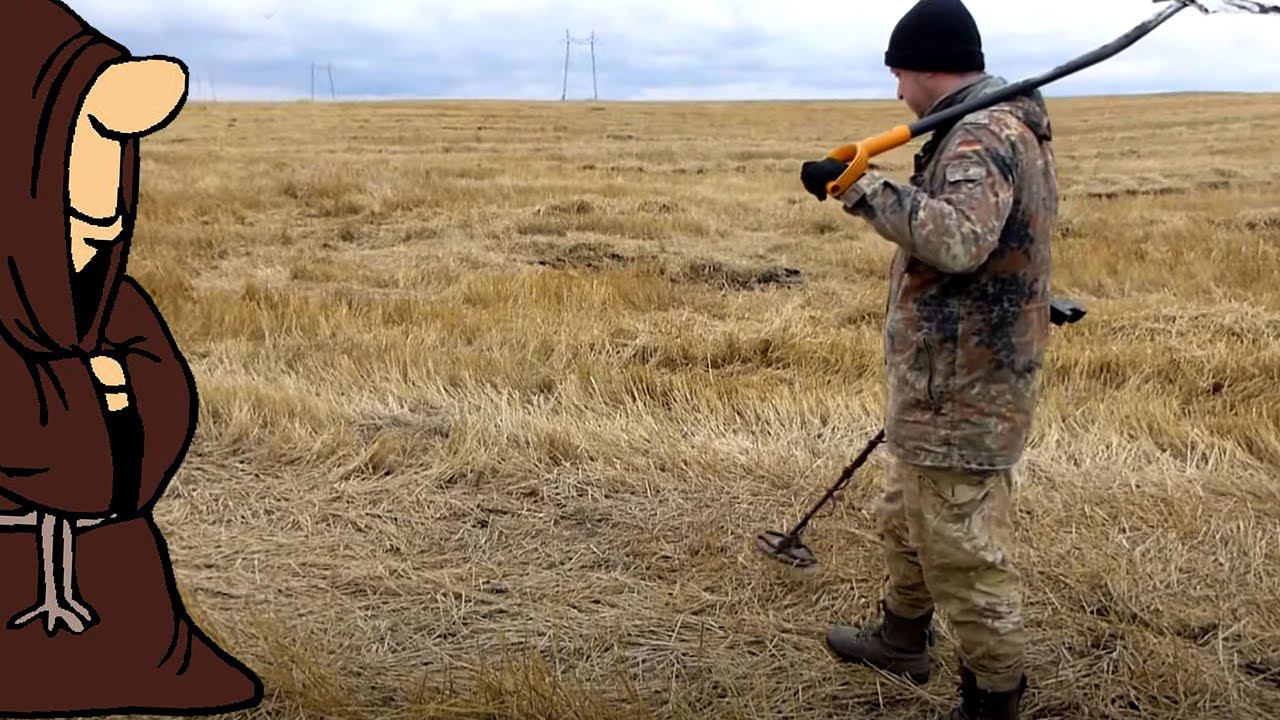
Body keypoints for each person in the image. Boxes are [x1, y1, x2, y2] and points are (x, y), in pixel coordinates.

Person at [0, 0, 262, 713]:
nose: (107, 209)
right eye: (82, 144)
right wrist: (103, 390)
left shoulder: (114, 295)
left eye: (118, 150)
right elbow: (48, 448)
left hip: (118, 592)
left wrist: (76, 396)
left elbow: (164, 410)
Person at [799, 1, 1058, 718]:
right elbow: (1000, 246)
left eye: (899, 75)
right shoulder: (993, 123)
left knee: (962, 554)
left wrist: (859, 186)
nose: (897, 94)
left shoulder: (981, 134)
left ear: (924, 67)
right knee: (908, 518)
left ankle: (994, 699)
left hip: (965, 386)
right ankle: (903, 639)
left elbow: (956, 241)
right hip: (946, 376)